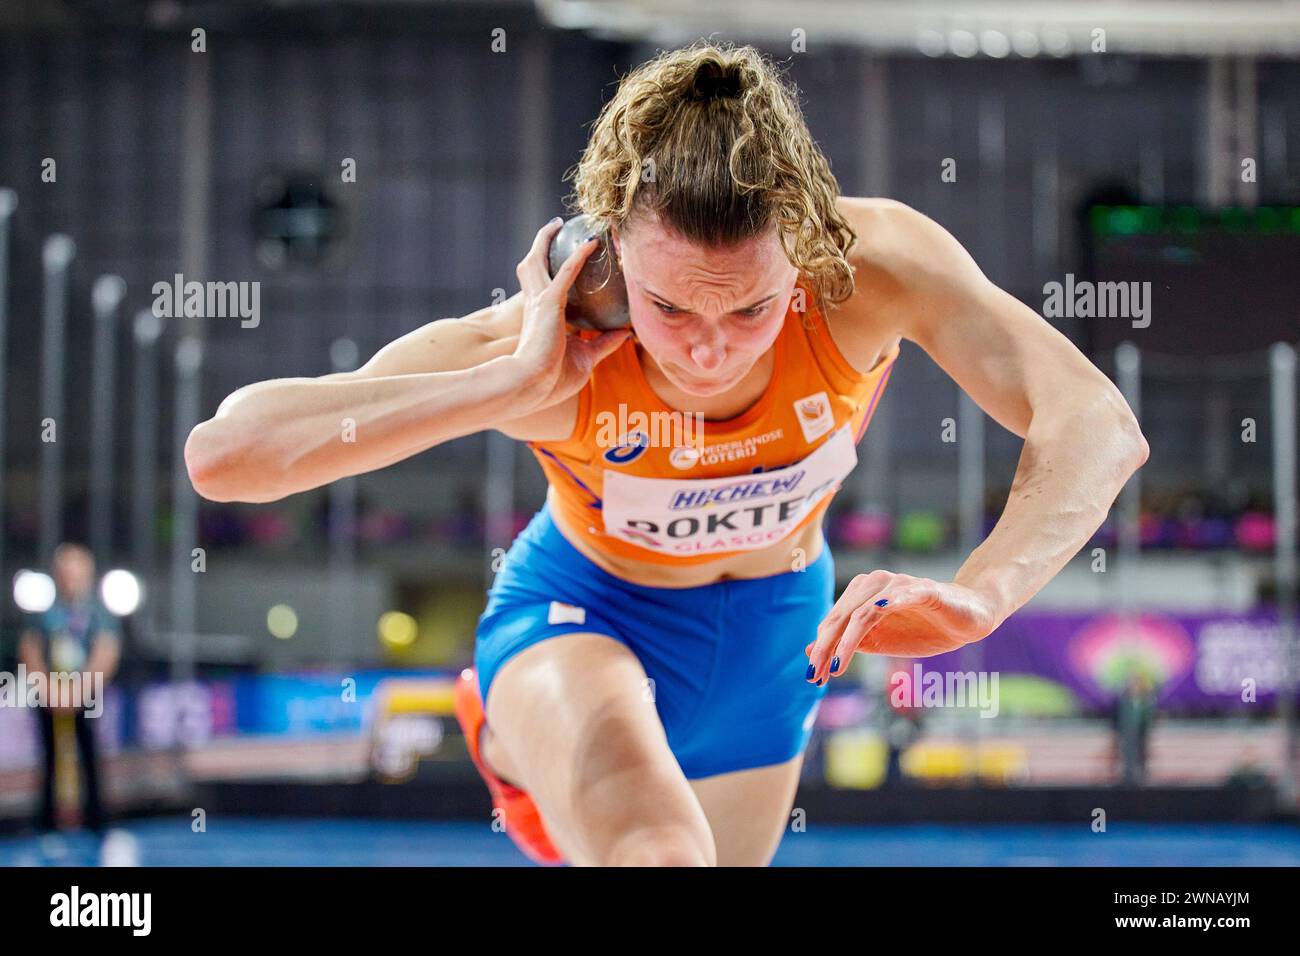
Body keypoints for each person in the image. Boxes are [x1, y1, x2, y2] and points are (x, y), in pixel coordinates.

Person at [185, 42, 1148, 866]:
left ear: (804, 253)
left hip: (778, 638)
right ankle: (516, 727)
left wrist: (982, 594)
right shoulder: (546, 338)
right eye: (671, 305)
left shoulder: (869, 270)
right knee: (659, 855)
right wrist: (503, 387)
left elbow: (1096, 422)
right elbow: (227, 456)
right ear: (609, 260)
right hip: (586, 616)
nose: (708, 347)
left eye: (752, 308)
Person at [17, 542, 121, 834]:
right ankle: (46, 821)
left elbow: (106, 651)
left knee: (89, 752)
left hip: (84, 695)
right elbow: (31, 649)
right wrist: (48, 689)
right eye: (65, 573)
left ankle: (96, 818)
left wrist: (81, 689)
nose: (70, 579)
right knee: (48, 756)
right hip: (49, 693)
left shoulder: (98, 613)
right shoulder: (44, 613)